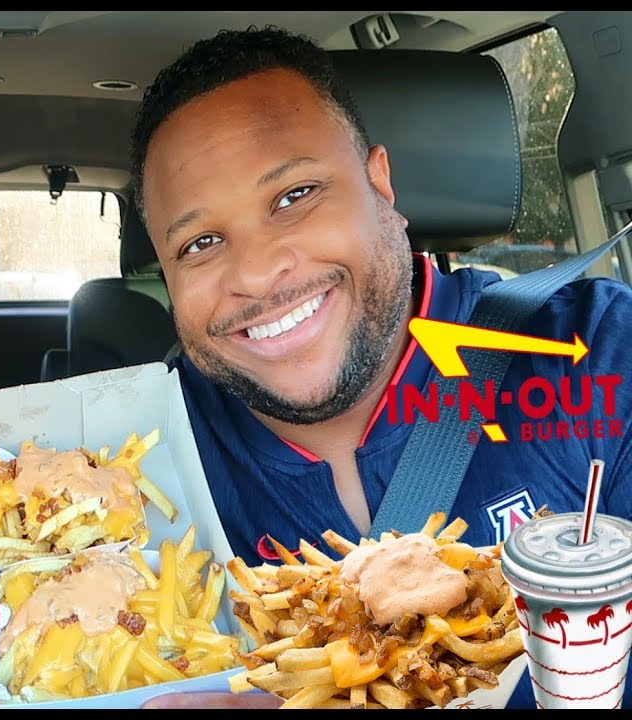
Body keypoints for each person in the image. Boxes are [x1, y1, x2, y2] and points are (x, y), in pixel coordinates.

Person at [128, 27, 632, 709]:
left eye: (294, 195)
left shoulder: (600, 350)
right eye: (201, 242)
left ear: (379, 184)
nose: (255, 273)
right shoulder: (133, 471)